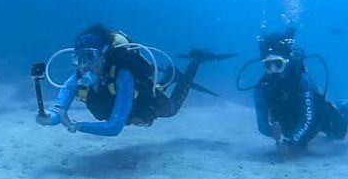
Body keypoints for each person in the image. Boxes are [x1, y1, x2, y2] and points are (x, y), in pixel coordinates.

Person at [36, 24, 232, 136]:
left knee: (171, 110)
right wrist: (48, 118)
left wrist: (76, 126)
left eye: (90, 56)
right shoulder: (75, 79)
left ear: (104, 54)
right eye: (79, 59)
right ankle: (168, 76)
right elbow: (59, 111)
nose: (84, 65)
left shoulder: (123, 76)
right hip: (126, 112)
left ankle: (195, 62)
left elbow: (114, 128)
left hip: (145, 106)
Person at [252, 27, 348, 149]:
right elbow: (261, 123)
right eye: (268, 65)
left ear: (286, 61)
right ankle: (297, 136)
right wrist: (271, 132)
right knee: (294, 137)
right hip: (290, 120)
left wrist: (293, 143)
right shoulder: (261, 88)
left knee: (338, 133)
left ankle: (344, 109)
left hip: (317, 115)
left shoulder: (302, 80)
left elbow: (309, 118)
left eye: (278, 64)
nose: (273, 70)